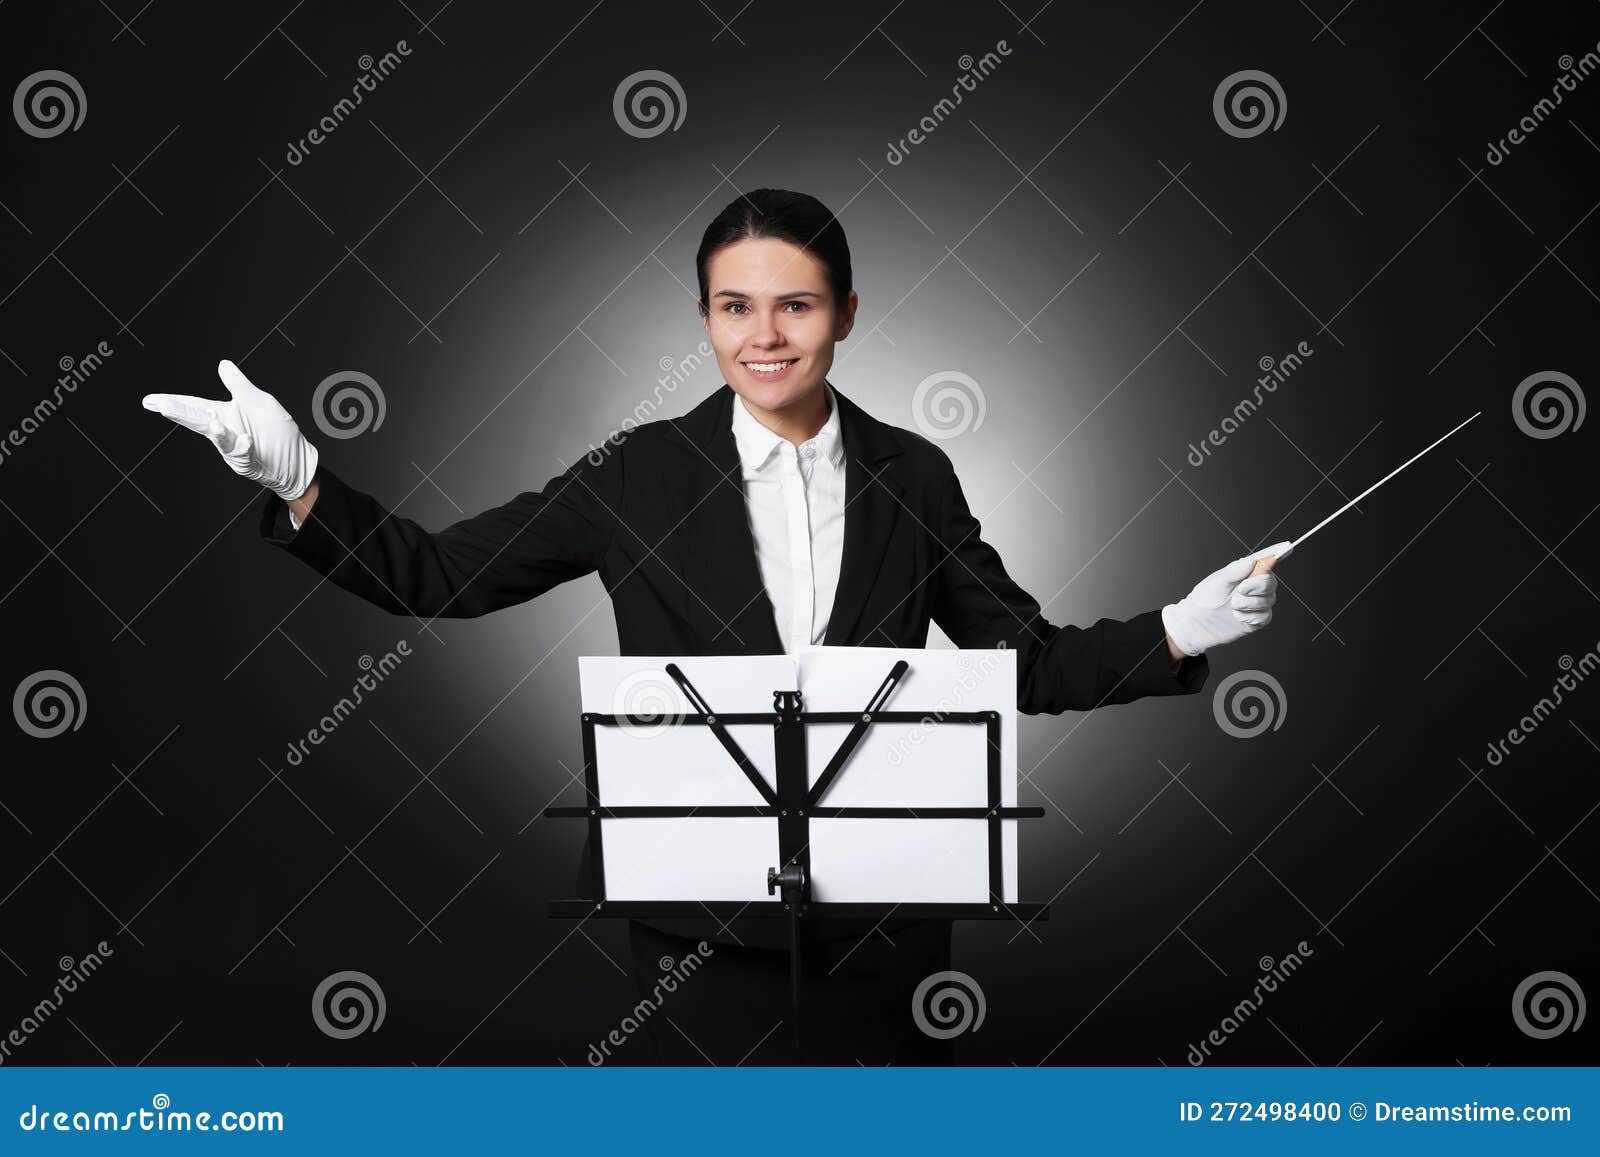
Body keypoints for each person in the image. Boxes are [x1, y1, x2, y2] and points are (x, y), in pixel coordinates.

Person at [142, 188, 1279, 1065]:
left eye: (796, 302)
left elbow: (1019, 662)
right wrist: (300, 483)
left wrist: (1180, 626)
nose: (765, 334)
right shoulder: (635, 473)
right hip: (697, 935)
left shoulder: (914, 475)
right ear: (704, 318)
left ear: (843, 310)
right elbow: (444, 576)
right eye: (735, 306)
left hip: (888, 928)